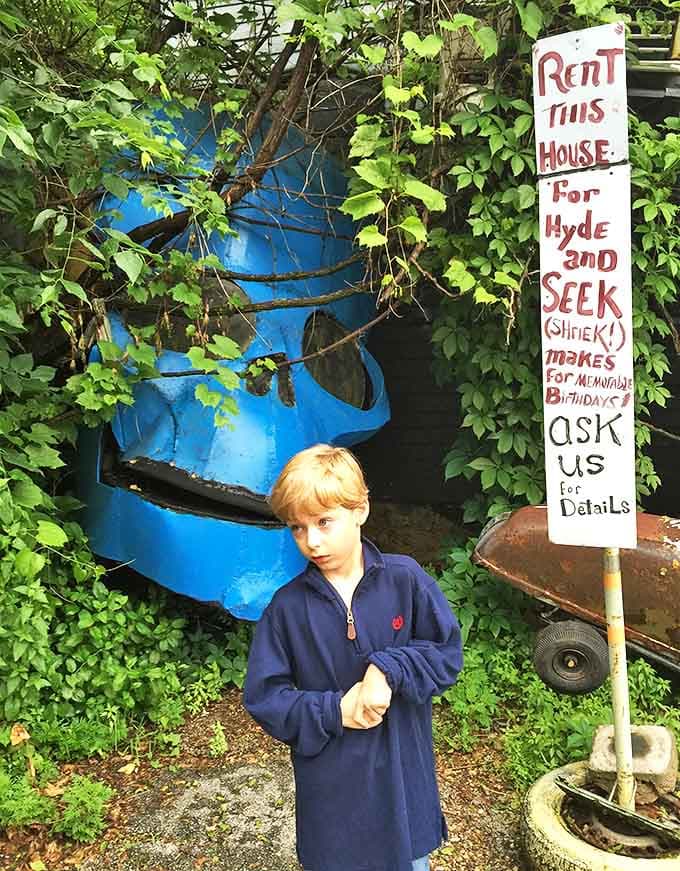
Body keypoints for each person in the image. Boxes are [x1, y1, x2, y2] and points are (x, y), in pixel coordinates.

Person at [243, 444, 463, 871]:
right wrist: (334, 709)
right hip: (333, 793)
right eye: (298, 528)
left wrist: (388, 668)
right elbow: (265, 698)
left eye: (324, 522)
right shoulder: (286, 609)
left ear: (360, 509)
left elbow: (445, 653)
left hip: (403, 779)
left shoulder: (406, 581)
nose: (312, 541)